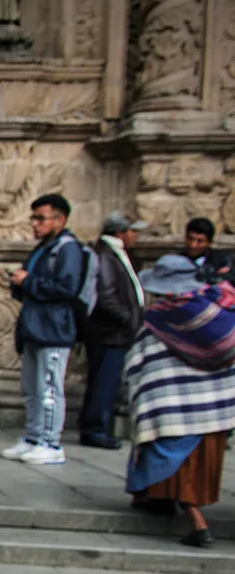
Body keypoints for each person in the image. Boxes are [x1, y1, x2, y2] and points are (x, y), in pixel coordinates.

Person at [124, 253, 235, 548]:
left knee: (179, 467)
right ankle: (155, 499)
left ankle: (198, 525)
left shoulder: (161, 318)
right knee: (199, 468)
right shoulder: (217, 310)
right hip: (215, 408)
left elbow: (142, 359)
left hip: (175, 409)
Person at [2, 192, 84, 465]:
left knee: (49, 388)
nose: (35, 224)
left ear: (59, 220)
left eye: (41, 218)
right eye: (33, 218)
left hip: (54, 329)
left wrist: (30, 282)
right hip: (35, 326)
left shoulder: (67, 248)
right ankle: (34, 436)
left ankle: (51, 443)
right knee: (32, 387)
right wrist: (19, 282)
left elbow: (67, 288)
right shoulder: (43, 248)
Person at [80, 213, 146, 449]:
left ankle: (96, 426)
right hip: (109, 332)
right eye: (133, 231)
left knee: (104, 380)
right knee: (104, 382)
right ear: (120, 232)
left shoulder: (116, 255)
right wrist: (129, 320)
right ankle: (96, 428)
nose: (136, 236)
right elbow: (106, 297)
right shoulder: (107, 256)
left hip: (112, 332)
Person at [185, 216, 232, 285]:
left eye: (200, 241)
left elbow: (228, 278)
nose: (193, 245)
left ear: (209, 242)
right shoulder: (176, 260)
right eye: (190, 239)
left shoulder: (223, 259)